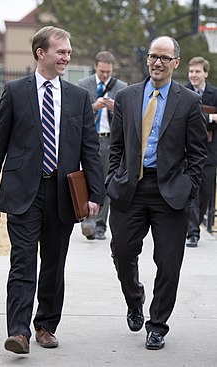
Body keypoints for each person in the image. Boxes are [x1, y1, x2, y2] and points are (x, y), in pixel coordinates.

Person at [0, 26, 104, 355]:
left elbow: (89, 149)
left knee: (53, 263)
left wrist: (95, 194)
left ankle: (46, 325)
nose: (67, 57)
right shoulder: (16, 91)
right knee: (22, 262)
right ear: (41, 53)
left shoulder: (79, 97)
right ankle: (18, 332)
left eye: (68, 51)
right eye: (61, 51)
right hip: (23, 192)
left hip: (63, 193)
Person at [105, 36, 207, 350]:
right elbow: (117, 146)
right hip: (130, 188)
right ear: (147, 59)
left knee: (168, 262)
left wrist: (188, 187)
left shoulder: (188, 101)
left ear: (176, 62)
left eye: (164, 57)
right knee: (121, 250)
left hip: (170, 193)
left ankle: (157, 325)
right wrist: (112, 178)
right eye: (153, 56)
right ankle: (134, 299)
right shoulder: (127, 97)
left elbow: (197, 153)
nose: (157, 63)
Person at [78, 51, 127, 240]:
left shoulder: (121, 88)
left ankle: (100, 225)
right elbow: (75, 114)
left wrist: (117, 109)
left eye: (108, 71)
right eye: (102, 71)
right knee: (85, 180)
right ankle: (86, 219)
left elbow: (129, 116)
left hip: (110, 140)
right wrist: (93, 107)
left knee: (106, 182)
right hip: (89, 139)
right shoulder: (84, 86)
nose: (105, 75)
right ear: (95, 67)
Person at [185, 57, 217, 247]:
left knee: (205, 193)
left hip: (210, 151)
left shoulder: (215, 93)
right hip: (187, 151)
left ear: (205, 73)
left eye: (197, 72)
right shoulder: (182, 92)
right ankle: (193, 233)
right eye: (191, 72)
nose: (194, 75)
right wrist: (210, 117)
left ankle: (195, 226)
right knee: (192, 193)